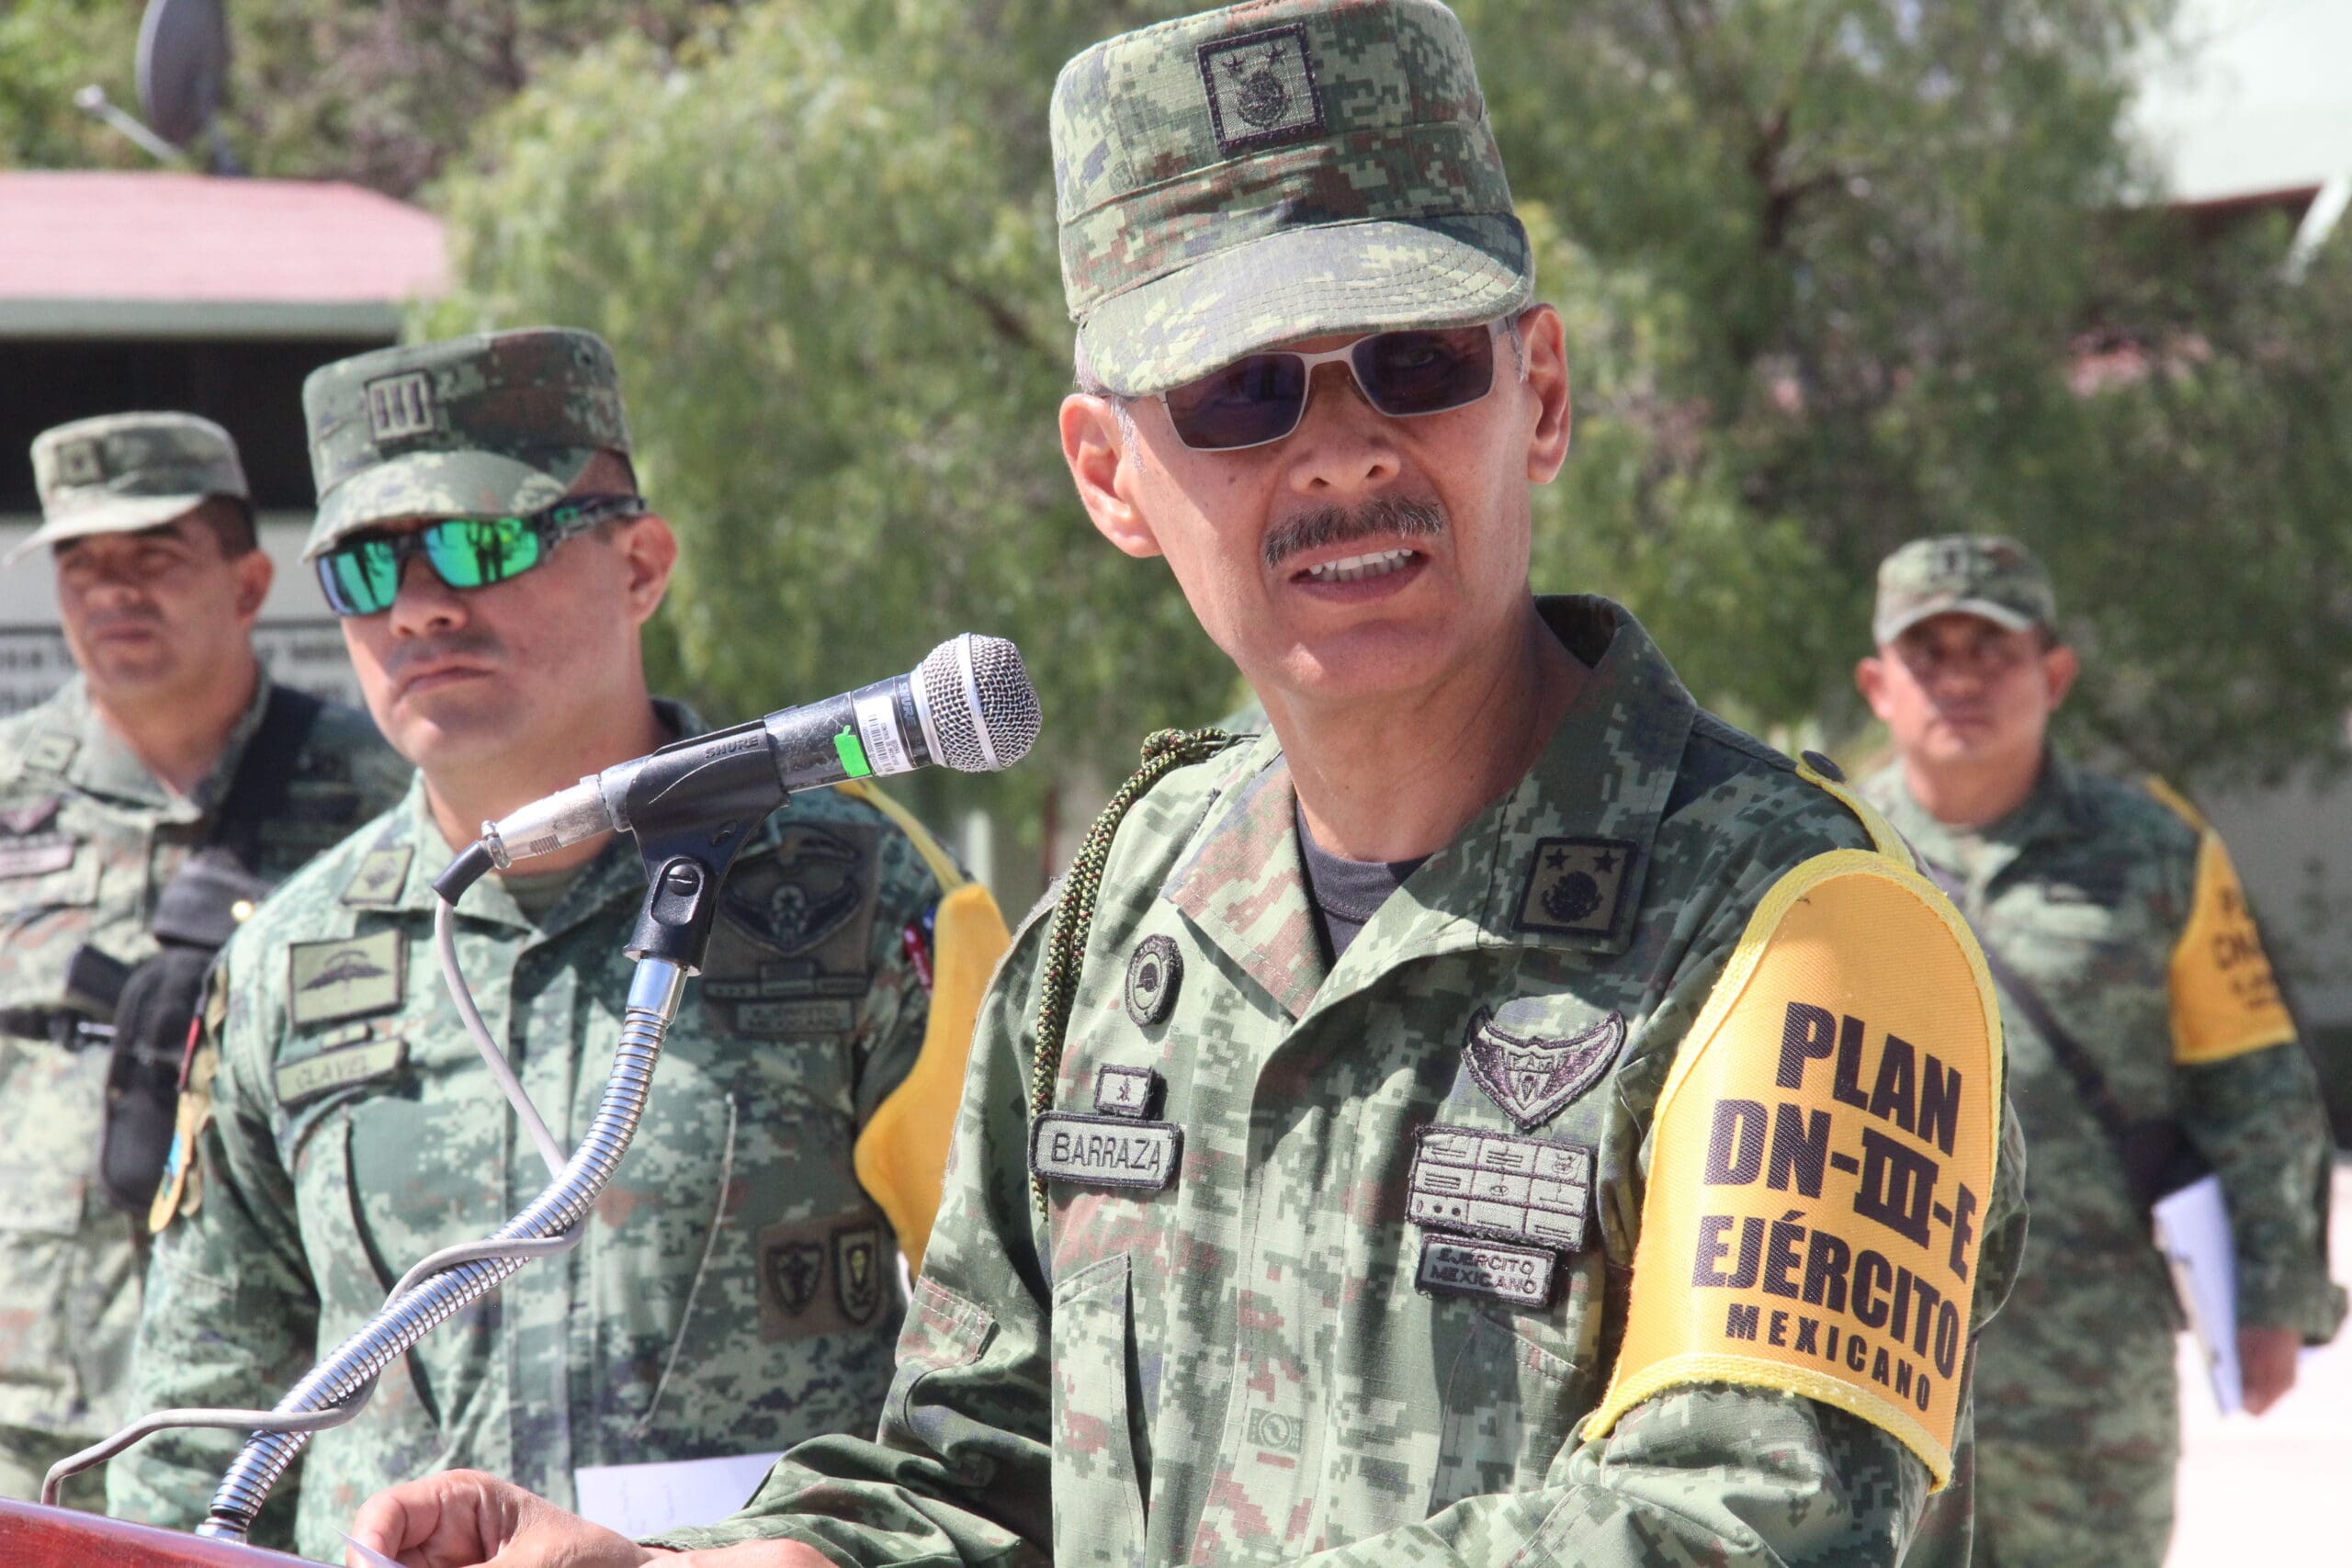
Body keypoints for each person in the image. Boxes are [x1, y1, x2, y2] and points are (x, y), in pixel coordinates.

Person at [348, 5, 2027, 1565]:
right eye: (1240, 393)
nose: (1348, 448)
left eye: (1419, 360)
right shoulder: (1121, 910)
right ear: (1110, 476)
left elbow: (1734, 1523)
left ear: (1544, 397)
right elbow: (971, 1463)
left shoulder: (1809, 938)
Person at [109, 329, 1006, 1559]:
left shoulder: (865, 895)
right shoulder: (286, 957)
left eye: (484, 544)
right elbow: (195, 1422)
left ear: (641, 563)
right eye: (366, 570)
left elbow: (1013, 1388)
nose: (421, 603)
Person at [1849, 535, 2342, 1568]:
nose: (1960, 678)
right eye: (1928, 652)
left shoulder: (2157, 852)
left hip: (2090, 1370)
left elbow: (2251, 1080)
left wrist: (2276, 1297)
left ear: (2055, 674)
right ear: (1877, 684)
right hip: (1877, 1352)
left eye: (1992, 649)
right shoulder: (1821, 846)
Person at [0, 412, 410, 1509]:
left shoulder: (390, 793)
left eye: (154, 558)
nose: (112, 592)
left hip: (292, 1417)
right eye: (82, 567)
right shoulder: (8, 792)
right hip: (27, 1413)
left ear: (245, 583)